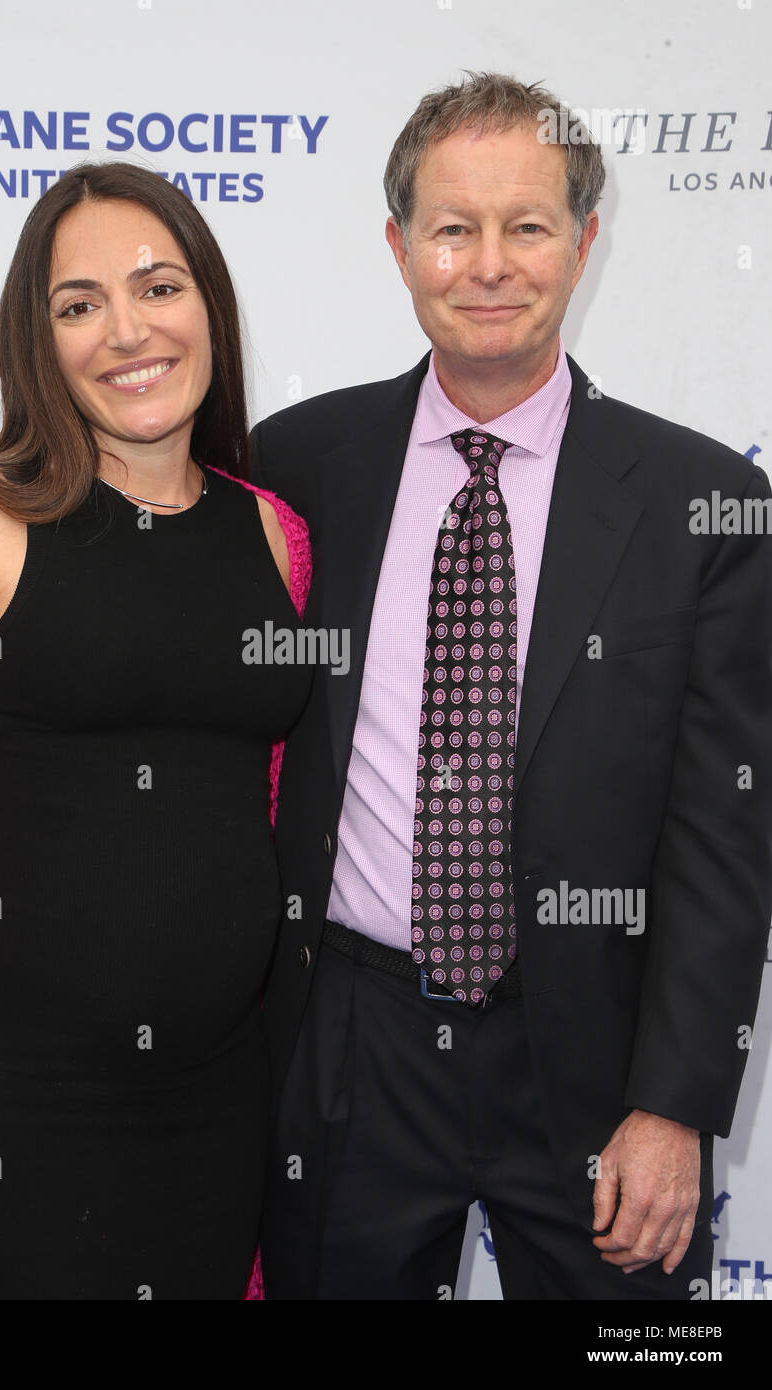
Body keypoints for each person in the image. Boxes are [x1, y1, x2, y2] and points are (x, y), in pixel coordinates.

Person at [249, 71, 772, 1299]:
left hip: (598, 1060)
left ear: (584, 242)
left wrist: (673, 1103)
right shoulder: (295, 466)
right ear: (398, 246)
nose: (488, 263)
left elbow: (724, 836)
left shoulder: (707, 510)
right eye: (451, 227)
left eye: (527, 225)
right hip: (352, 1051)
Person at [0, 160, 311, 1300]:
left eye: (158, 287)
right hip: (15, 1117)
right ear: (37, 342)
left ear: (209, 308)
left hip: (219, 1115)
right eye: (78, 304)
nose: (126, 330)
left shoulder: (277, 538)